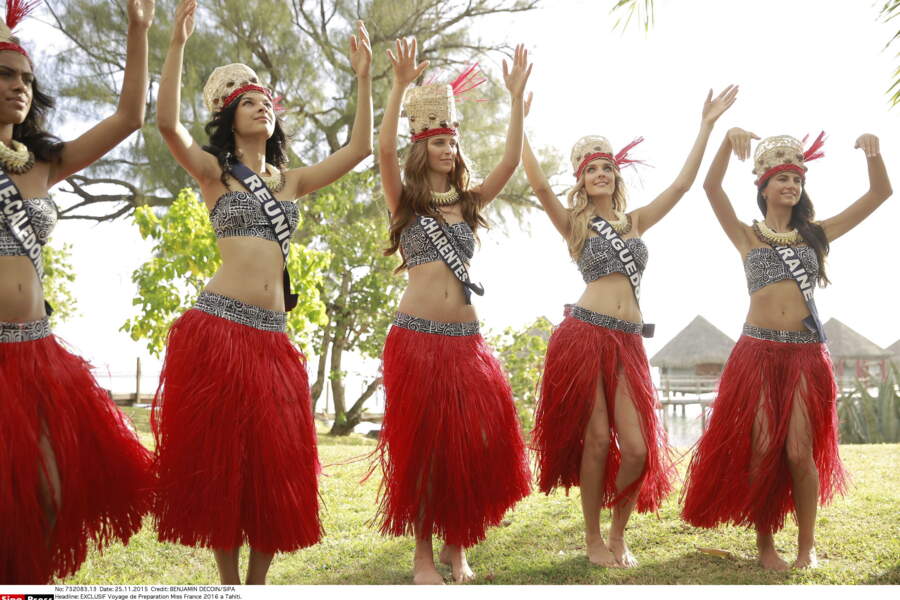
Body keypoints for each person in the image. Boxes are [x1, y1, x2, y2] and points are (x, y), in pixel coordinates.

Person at [152, 0, 372, 584]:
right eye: (250, 101)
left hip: (274, 336)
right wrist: (175, 42)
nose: (263, 106)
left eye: (268, 101)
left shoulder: (292, 182)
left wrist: (366, 80)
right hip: (218, 327)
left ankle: (258, 587)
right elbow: (167, 126)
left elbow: (359, 150)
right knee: (225, 465)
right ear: (230, 116)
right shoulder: (212, 173)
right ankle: (229, 586)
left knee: (275, 464)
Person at [524, 86, 738, 567]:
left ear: (615, 176)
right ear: (581, 180)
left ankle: (620, 533)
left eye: (607, 168)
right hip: (584, 335)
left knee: (638, 449)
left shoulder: (636, 221)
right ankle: (592, 538)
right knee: (598, 439)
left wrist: (705, 126)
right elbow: (537, 186)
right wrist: (519, 114)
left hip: (628, 343)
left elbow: (682, 186)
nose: (600, 174)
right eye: (591, 169)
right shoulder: (574, 224)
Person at [681, 127, 891, 569]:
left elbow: (880, 193)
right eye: (783, 178)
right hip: (756, 352)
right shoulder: (746, 236)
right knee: (760, 449)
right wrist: (725, 141)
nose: (792, 186)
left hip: (804, 353)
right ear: (764, 186)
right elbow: (711, 187)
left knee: (799, 450)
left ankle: (806, 547)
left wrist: (872, 152)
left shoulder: (816, 234)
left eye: (798, 179)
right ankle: (765, 546)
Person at [0, 0, 155, 583]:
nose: (19, 86)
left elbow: (127, 118)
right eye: (5, 74)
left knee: (46, 495)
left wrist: (138, 31)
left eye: (26, 78)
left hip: (35, 354)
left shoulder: (39, 164)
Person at [373, 37, 532, 584]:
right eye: (439, 142)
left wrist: (515, 100)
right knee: (426, 449)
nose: (449, 150)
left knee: (470, 441)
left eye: (453, 142)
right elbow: (384, 154)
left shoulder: (467, 204)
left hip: (467, 342)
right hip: (416, 337)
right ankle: (423, 554)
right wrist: (397, 87)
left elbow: (510, 160)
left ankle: (458, 544)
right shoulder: (405, 202)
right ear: (424, 148)